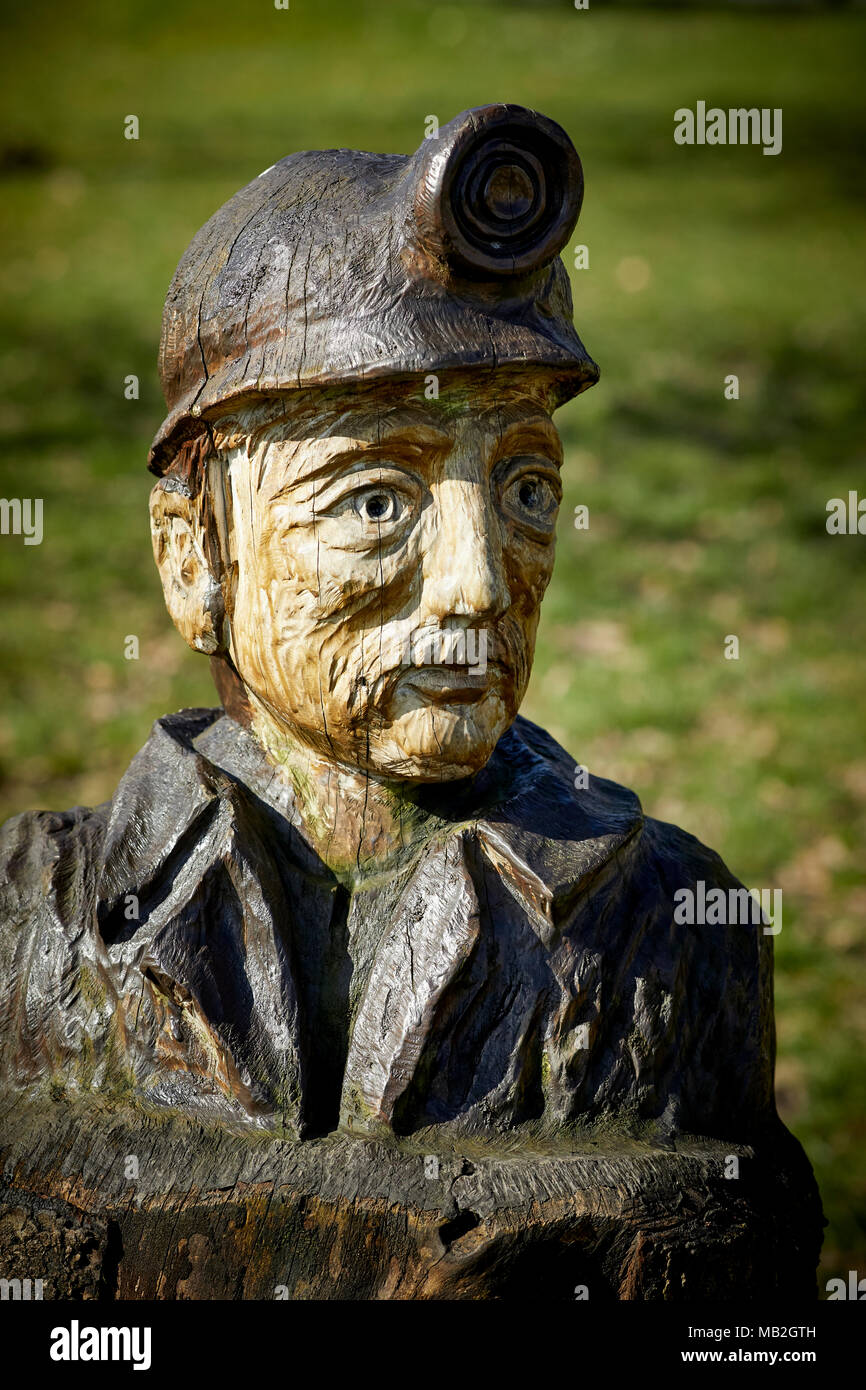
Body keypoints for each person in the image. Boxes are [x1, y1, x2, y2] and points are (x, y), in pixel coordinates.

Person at [0, 106, 777, 1146]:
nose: (477, 586)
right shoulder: (30, 917)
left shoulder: (674, 931)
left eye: (526, 488)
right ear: (194, 557)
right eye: (374, 501)